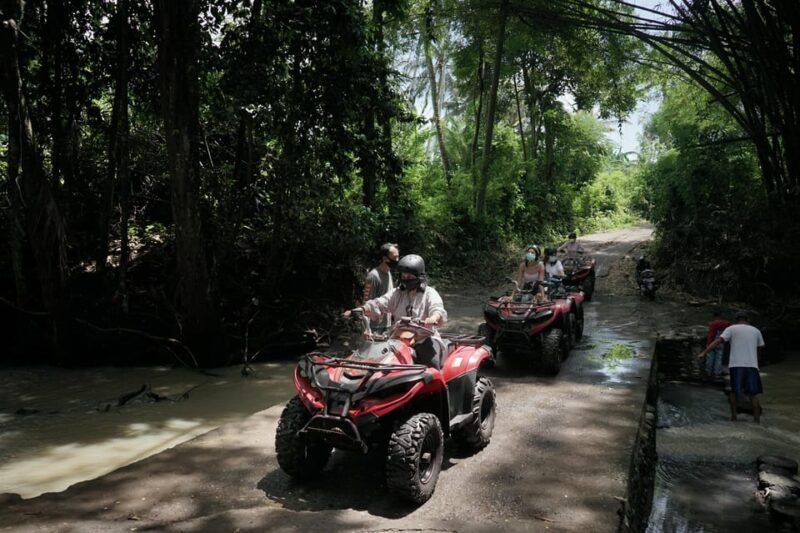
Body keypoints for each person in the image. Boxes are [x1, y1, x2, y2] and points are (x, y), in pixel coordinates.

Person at [355, 254, 448, 369]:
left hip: (423, 338)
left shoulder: (429, 293)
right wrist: (363, 309)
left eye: (409, 276)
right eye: (403, 275)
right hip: (397, 339)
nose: (405, 278)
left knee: (431, 365)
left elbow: (437, 309)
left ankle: (438, 386)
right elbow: (380, 303)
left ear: (419, 276)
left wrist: (433, 318)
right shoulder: (397, 293)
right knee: (377, 362)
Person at [697, 311, 765, 423]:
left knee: (734, 391)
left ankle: (734, 418)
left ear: (736, 320)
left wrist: (704, 352)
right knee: (753, 394)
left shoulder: (731, 329)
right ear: (748, 320)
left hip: (736, 365)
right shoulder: (756, 331)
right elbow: (761, 346)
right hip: (752, 366)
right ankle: (756, 421)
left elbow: (718, 341)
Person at [361, 242, 399, 333]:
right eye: (394, 258)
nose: (397, 260)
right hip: (375, 327)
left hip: (388, 325)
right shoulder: (373, 276)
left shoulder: (389, 273)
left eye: (398, 257)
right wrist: (366, 328)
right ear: (385, 259)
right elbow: (366, 302)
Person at [702, 310, 731, 380]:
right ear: (721, 316)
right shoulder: (726, 323)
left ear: (714, 316)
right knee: (719, 358)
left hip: (711, 342)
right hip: (720, 342)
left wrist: (709, 344)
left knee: (710, 358)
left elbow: (710, 334)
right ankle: (717, 373)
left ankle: (708, 373)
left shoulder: (712, 324)